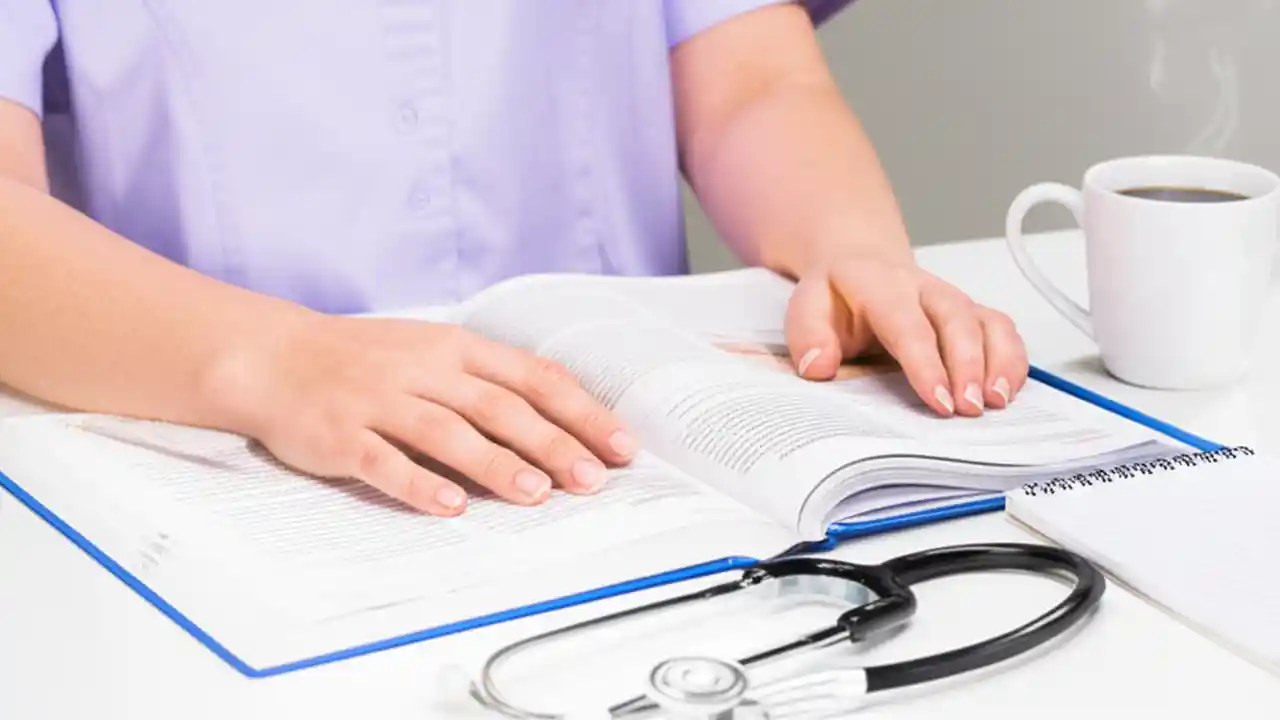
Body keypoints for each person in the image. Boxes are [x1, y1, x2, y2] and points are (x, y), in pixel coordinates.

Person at [0, 1, 1028, 516]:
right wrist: (267, 361)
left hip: (621, 450)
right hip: (218, 451)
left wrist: (847, 249)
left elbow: (751, 80)